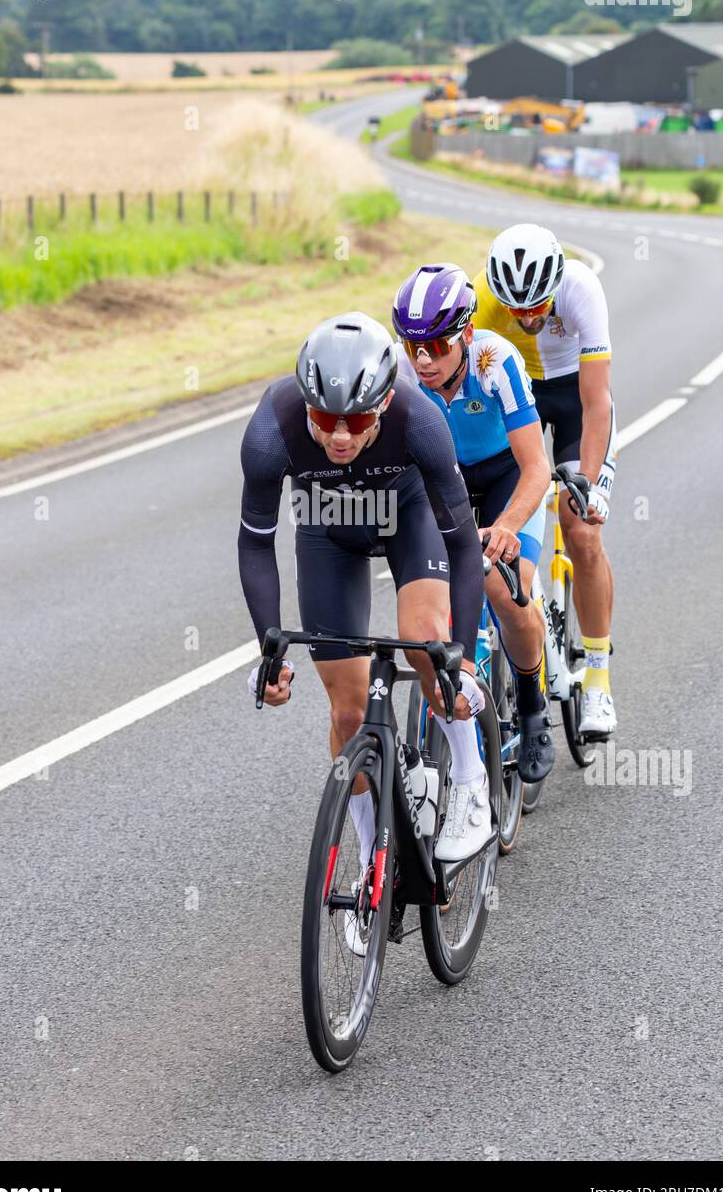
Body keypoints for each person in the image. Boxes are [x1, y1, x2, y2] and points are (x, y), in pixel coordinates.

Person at [238, 311, 491, 872]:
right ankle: (371, 862)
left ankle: (472, 783)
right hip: (327, 526)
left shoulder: (418, 419)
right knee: (349, 715)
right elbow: (256, 544)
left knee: (425, 643)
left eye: (357, 420)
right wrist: (269, 649)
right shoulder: (270, 430)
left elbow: (465, 546)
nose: (340, 436)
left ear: (384, 402)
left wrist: (465, 660)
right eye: (325, 418)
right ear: (305, 402)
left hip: (408, 513)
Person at [391, 262, 555, 786]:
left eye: (437, 346)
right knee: (434, 608)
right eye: (412, 345)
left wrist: (507, 525)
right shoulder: (399, 374)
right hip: (449, 483)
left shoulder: (495, 360)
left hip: (506, 473)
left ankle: (531, 708)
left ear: (466, 333)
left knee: (509, 594)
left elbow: (537, 467)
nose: (423, 360)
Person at [471, 224, 617, 737]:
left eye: (537, 306)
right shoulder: (486, 301)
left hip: (575, 398)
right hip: (520, 396)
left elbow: (597, 402)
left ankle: (597, 681)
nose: (529, 317)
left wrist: (591, 484)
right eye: (518, 310)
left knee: (581, 528)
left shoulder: (580, 288)